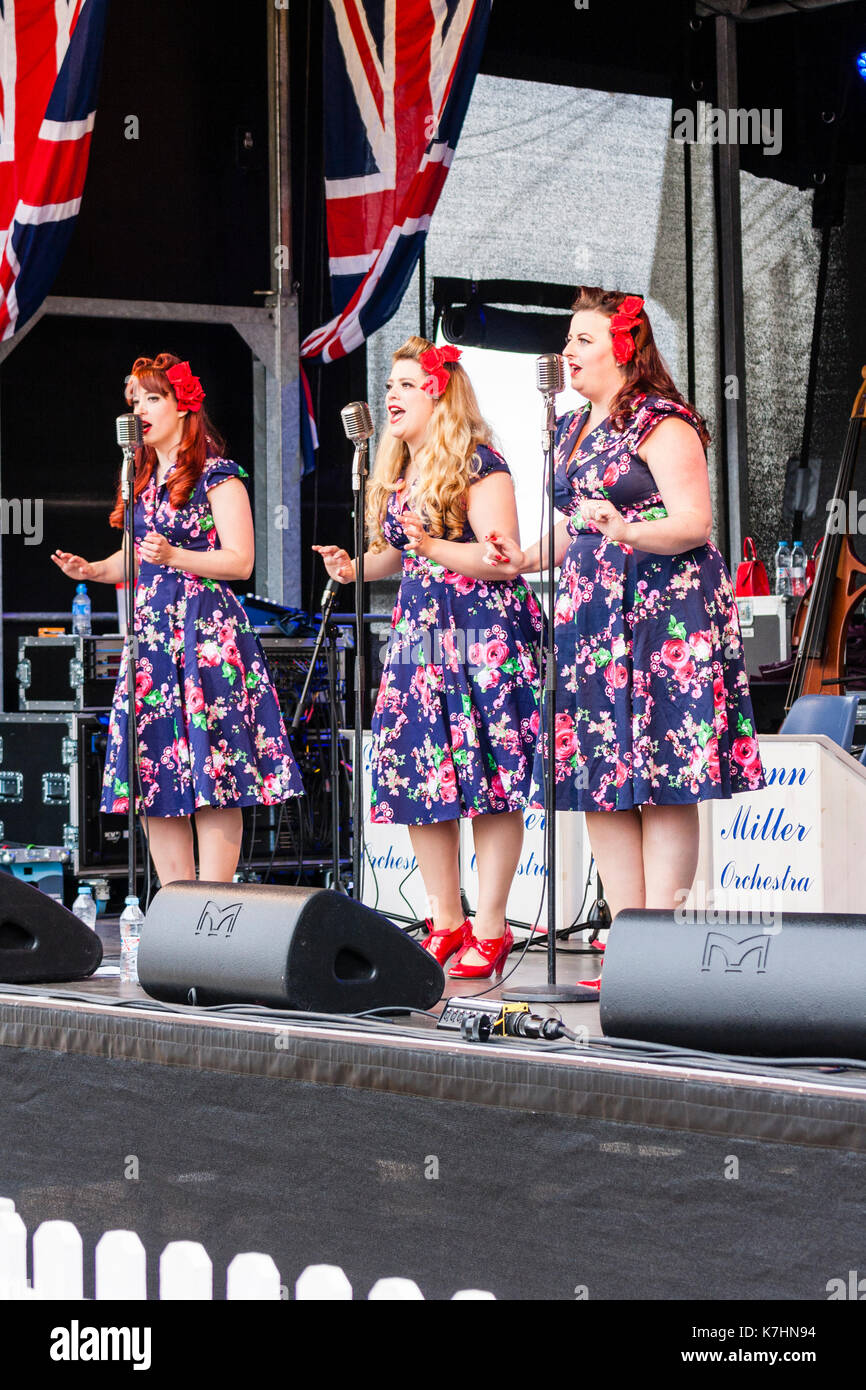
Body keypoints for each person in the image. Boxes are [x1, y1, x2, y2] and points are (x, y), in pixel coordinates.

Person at [485, 288, 765, 980]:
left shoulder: (661, 421)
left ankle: (659, 947)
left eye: (582, 340)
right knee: (602, 778)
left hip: (662, 615)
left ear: (623, 347)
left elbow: (695, 521)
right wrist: (522, 557)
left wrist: (629, 530)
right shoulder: (575, 428)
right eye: (567, 341)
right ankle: (626, 942)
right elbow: (578, 524)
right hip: (592, 621)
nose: (567, 352)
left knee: (663, 777)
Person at [314, 337, 543, 979]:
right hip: (420, 635)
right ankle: (446, 920)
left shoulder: (479, 463)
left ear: (439, 394)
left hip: (481, 634)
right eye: (392, 384)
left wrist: (433, 548)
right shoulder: (395, 467)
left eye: (408, 384)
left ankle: (492, 928)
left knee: (490, 784)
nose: (392, 395)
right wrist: (355, 566)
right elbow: (397, 553)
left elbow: (504, 558)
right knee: (425, 780)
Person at [52, 352, 304, 885]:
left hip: (205, 634)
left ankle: (212, 908)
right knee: (157, 773)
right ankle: (174, 911)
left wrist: (176, 557)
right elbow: (140, 556)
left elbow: (240, 561)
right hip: (152, 640)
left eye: (153, 397)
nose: (140, 409)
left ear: (183, 405)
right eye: (134, 400)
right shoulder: (140, 478)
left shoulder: (217, 474)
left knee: (216, 772)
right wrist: (95, 569)